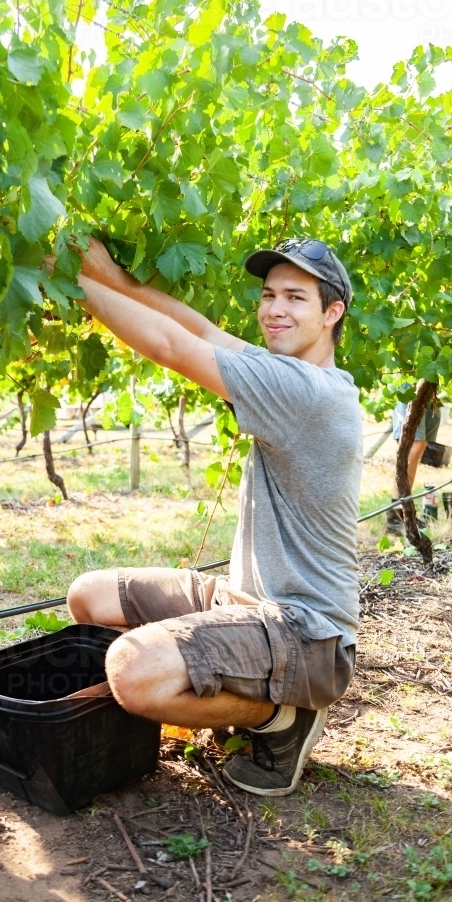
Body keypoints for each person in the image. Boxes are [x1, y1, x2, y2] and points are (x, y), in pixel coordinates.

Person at [62, 236, 362, 797]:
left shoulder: (302, 390)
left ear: (331, 313)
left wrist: (64, 279)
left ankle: (281, 720)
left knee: (130, 670)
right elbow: (200, 330)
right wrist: (107, 275)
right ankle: (220, 681)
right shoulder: (294, 373)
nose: (275, 309)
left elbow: (173, 347)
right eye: (269, 295)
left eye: (296, 298)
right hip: (248, 604)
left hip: (308, 637)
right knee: (89, 597)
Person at [386, 399, 441, 534]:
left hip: (431, 385)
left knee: (420, 444)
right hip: (411, 382)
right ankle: (395, 515)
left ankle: (405, 512)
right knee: (411, 444)